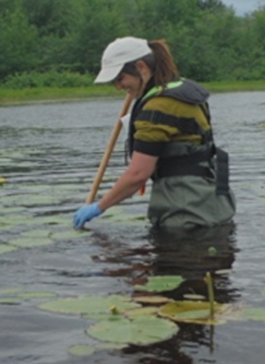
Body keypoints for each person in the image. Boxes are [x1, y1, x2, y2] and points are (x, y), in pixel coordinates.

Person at [73, 36, 235, 231]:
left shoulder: (159, 106)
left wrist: (98, 207)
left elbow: (138, 175)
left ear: (141, 67)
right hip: (212, 203)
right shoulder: (181, 89)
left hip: (186, 213)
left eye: (120, 78)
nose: (118, 86)